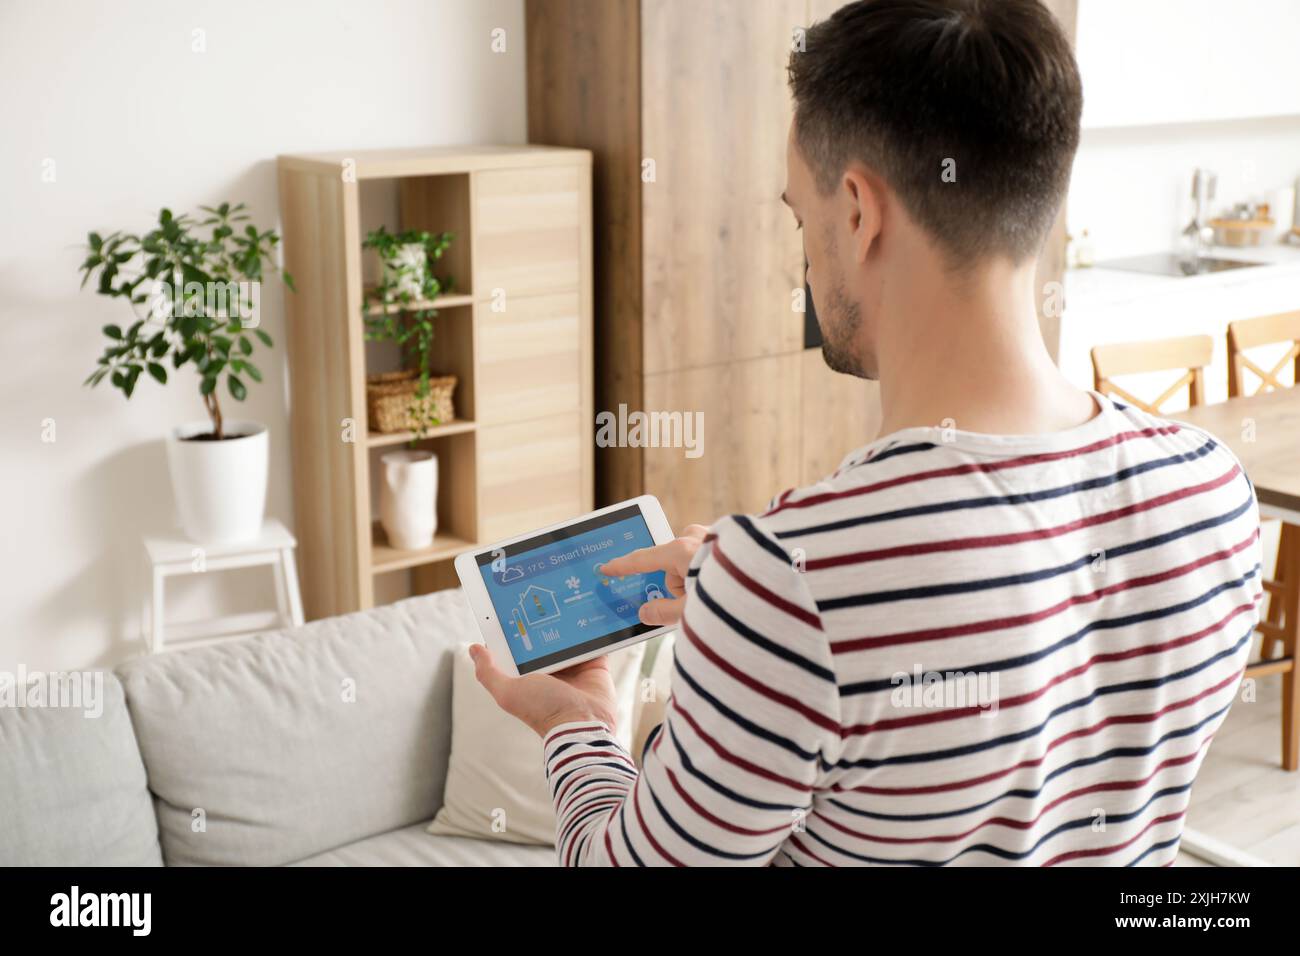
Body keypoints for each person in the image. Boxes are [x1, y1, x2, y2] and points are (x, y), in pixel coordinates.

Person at [470, 0, 1261, 866]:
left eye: (799, 219)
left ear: (857, 212)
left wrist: (582, 726)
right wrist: (758, 626)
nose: (804, 259)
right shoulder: (1213, 493)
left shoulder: (787, 580)